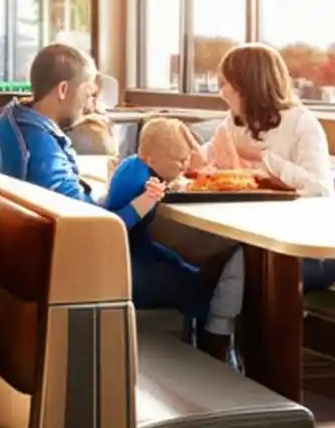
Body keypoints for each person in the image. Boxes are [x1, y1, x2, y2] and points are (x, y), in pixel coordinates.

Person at [192, 42, 335, 292]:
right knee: (213, 262)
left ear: (247, 84)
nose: (221, 93)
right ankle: (218, 329)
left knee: (246, 270)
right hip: (260, 238)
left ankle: (221, 331)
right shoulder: (234, 124)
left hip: (315, 246)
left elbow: (320, 191)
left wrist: (264, 157)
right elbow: (202, 160)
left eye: (225, 84)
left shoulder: (302, 123)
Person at [104, 118, 244, 362]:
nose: (185, 165)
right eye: (178, 160)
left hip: (140, 250)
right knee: (196, 284)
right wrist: (146, 201)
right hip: (128, 262)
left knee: (187, 268)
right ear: (150, 158)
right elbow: (115, 225)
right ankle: (209, 353)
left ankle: (201, 346)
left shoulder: (133, 166)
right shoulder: (139, 180)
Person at [0, 43, 100, 203]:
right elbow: (85, 213)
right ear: (62, 89)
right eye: (87, 93)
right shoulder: (41, 148)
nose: (89, 105)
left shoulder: (12, 120)